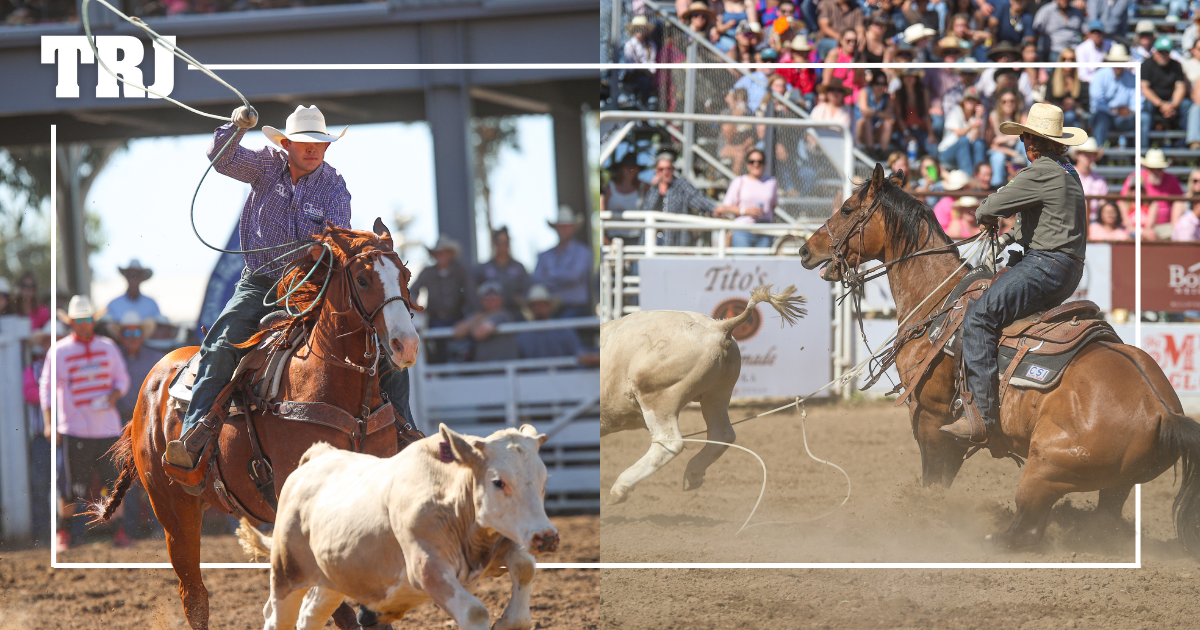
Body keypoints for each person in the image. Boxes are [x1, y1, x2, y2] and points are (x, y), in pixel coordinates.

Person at [164, 105, 416, 486]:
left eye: (320, 144)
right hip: (260, 282)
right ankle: (196, 431)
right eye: (304, 143)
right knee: (220, 343)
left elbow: (336, 235)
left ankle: (403, 428)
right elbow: (221, 156)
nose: (313, 150)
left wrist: (324, 250)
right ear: (286, 143)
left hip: (310, 284)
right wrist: (236, 126)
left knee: (375, 346)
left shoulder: (334, 187)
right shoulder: (266, 167)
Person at [941, 103, 1088, 456]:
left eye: (1024, 138)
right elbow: (1036, 221)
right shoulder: (1069, 172)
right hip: (1068, 269)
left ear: (1031, 142)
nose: (1023, 143)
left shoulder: (1040, 171)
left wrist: (986, 216)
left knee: (978, 317)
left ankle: (982, 416)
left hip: (1044, 266)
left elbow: (988, 208)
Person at [40, 296, 132, 551]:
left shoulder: (108, 347)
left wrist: (113, 396)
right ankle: (63, 533)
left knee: (114, 484)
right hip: (74, 429)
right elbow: (46, 388)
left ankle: (118, 531)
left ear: (93, 321)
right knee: (70, 486)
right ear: (70, 322)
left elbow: (122, 379)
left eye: (87, 319)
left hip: (107, 428)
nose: (83, 324)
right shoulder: (59, 350)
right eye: (78, 320)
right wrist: (50, 423)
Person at [412, 235, 474, 362]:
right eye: (438, 253)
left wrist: (471, 319)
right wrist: (417, 308)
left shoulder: (460, 271)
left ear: (450, 254)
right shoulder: (428, 272)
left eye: (444, 253)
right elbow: (412, 292)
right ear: (434, 255)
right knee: (437, 355)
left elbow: (471, 295)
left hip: (458, 320)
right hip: (435, 321)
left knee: (461, 354)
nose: (441, 256)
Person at [642, 152, 720, 247]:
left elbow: (698, 199)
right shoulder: (653, 190)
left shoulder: (681, 185)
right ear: (656, 171)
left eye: (668, 168)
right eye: (661, 169)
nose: (665, 172)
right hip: (653, 240)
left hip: (675, 242)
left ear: (673, 169)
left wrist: (714, 208)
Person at [532, 206, 592, 318]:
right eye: (561, 227)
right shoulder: (545, 255)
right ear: (556, 228)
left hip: (576, 309)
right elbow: (536, 278)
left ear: (573, 228)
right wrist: (563, 277)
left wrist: (549, 274)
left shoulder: (583, 252)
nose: (563, 230)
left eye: (567, 226)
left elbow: (574, 276)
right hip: (550, 311)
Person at [1120, 148, 1186, 240]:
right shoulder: (1136, 177)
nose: (1155, 172)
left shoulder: (1171, 180)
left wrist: (1174, 227)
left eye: (1158, 169)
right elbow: (1123, 201)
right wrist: (1131, 226)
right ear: (1146, 167)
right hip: (1137, 225)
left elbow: (1180, 201)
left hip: (1165, 226)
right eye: (1152, 168)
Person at [717, 148, 778, 248]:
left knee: (763, 263)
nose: (756, 164)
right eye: (752, 161)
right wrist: (745, 211)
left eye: (760, 161)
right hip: (743, 230)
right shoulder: (739, 181)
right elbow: (725, 207)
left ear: (765, 164)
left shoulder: (772, 182)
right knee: (742, 263)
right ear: (747, 164)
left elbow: (774, 205)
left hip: (765, 230)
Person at [1141, 37, 1193, 142]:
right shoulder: (1147, 65)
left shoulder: (1176, 65)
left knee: (1187, 105)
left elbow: (1180, 87)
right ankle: (1144, 147)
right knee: (1145, 108)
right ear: (1155, 51)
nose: (1163, 55)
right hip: (1153, 102)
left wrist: (1172, 105)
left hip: (1171, 102)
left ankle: (1183, 146)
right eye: (1160, 51)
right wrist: (1161, 104)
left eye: (1166, 52)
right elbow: (1145, 88)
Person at [453, 281, 519, 362]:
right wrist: (478, 318)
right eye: (486, 295)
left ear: (501, 299)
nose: (491, 298)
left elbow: (479, 333)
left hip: (503, 371)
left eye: (495, 295)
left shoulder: (504, 315)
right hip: (483, 371)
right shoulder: (478, 316)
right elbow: (457, 332)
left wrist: (473, 323)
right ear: (481, 300)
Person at [517, 284, 586, 360]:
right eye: (535, 305)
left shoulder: (564, 331)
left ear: (549, 306)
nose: (539, 308)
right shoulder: (523, 337)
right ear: (531, 308)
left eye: (543, 304)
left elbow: (579, 354)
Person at [473, 227, 530, 319]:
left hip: (514, 314)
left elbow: (527, 291)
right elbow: (474, 293)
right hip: (489, 315)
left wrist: (519, 299)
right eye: (499, 243)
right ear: (494, 244)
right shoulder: (483, 269)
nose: (502, 247)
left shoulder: (519, 268)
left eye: (505, 243)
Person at [1089, 45, 1137, 147]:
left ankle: (1137, 157)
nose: (1118, 64)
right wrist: (1116, 110)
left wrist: (1130, 111)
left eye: (1121, 61)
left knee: (1141, 119)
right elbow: (1096, 103)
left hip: (1124, 118)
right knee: (1101, 118)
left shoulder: (1132, 78)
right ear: (1109, 61)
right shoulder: (1099, 75)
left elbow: (1137, 102)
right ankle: (1098, 153)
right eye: (1116, 61)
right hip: (1103, 116)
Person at [938, 87, 986, 174]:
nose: (971, 102)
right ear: (963, 100)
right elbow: (959, 133)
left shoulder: (977, 117)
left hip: (964, 155)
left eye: (974, 99)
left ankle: (980, 175)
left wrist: (978, 117)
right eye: (968, 99)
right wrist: (971, 125)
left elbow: (974, 138)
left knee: (979, 143)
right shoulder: (955, 111)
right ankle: (968, 177)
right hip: (947, 153)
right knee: (963, 141)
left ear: (977, 102)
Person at [987, 88, 1026, 187]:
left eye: (1012, 101)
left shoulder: (1021, 115)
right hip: (1001, 151)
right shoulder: (993, 117)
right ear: (1000, 103)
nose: (1008, 104)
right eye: (1004, 101)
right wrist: (1012, 153)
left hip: (1017, 149)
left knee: (1024, 143)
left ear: (1016, 103)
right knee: (998, 157)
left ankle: (1031, 179)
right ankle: (996, 186)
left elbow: (1027, 135)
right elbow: (992, 145)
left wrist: (1005, 138)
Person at [856, 71, 894, 159]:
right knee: (867, 120)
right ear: (872, 84)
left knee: (887, 123)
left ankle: (882, 151)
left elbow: (890, 115)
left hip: (875, 131)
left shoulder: (886, 97)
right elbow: (864, 110)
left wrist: (874, 113)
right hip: (860, 131)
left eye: (883, 84)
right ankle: (870, 150)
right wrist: (880, 114)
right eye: (877, 83)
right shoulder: (864, 91)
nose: (880, 87)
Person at [622, 16, 658, 106]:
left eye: (642, 29)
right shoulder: (629, 45)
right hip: (635, 76)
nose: (639, 32)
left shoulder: (651, 45)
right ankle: (644, 103)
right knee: (644, 81)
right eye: (637, 29)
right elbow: (630, 65)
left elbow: (652, 62)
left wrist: (651, 73)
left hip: (649, 75)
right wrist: (644, 70)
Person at [1069, 138, 1108, 220]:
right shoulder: (1067, 175)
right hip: (1072, 220)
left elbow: (1103, 204)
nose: (1088, 157)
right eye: (1085, 154)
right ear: (1077, 155)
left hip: (1093, 221)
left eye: (1091, 154)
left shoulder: (1100, 180)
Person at [1174, 174, 1200, 241]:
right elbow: (1185, 249)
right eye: (1195, 181)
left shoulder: (1194, 221)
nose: (1198, 183)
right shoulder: (1187, 225)